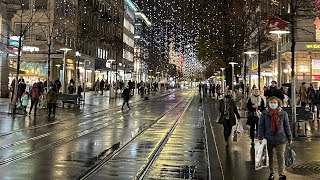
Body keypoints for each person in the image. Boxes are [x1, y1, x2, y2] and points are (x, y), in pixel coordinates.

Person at [258, 96, 293, 180]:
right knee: (270, 156)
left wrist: (289, 137)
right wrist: (260, 137)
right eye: (271, 103)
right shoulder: (264, 113)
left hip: (280, 138)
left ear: (278, 104)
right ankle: (271, 172)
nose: (273, 104)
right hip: (268, 139)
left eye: (274, 103)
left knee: (280, 156)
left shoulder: (283, 114)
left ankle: (281, 174)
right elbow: (261, 126)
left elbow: (287, 126)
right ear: (268, 104)